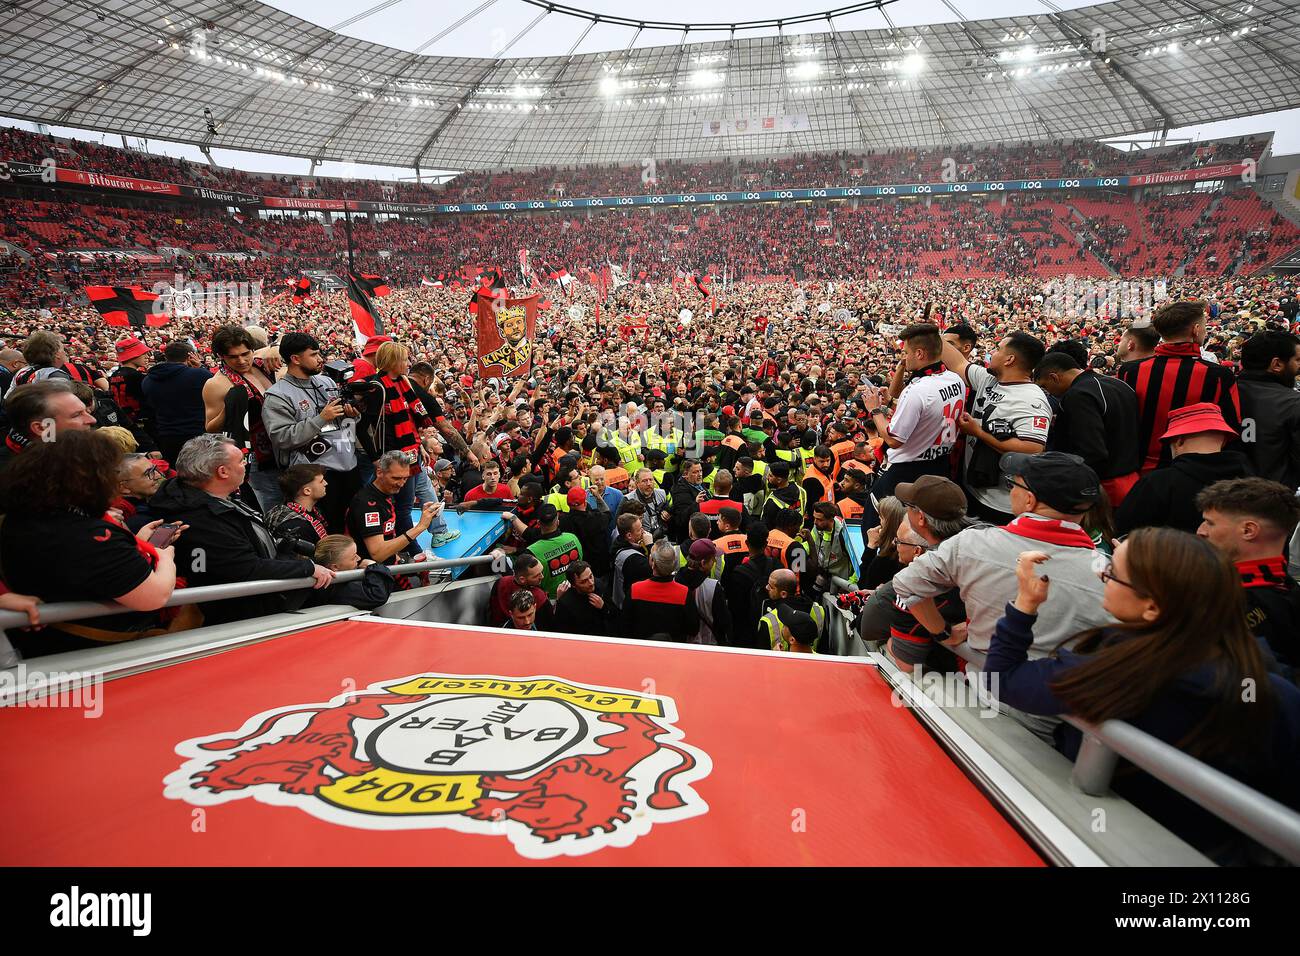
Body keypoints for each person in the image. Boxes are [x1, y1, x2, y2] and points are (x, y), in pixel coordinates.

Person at [987, 527, 1300, 863]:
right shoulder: (1274, 688)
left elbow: (1002, 680)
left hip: (1105, 844)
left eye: (1112, 574)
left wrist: (1025, 604)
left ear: (1152, 607)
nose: (1102, 577)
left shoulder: (1117, 670)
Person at [891, 452, 1114, 736]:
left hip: (979, 696)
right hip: (1058, 721)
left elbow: (907, 585)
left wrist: (942, 633)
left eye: (1013, 484)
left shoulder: (973, 544)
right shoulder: (1109, 574)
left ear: (1030, 500)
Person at [0, 430, 182, 657]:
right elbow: (154, 596)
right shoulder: (93, 534)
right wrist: (164, 557)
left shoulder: (19, 517)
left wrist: (138, 542)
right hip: (95, 653)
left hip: (44, 646)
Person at [147, 434, 338, 625]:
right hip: (238, 618)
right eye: (241, 461)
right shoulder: (200, 517)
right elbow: (245, 568)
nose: (245, 465)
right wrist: (307, 568)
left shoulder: (214, 499)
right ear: (222, 472)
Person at [1117, 300, 1241, 475]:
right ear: (1196, 330)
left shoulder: (1130, 371)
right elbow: (1233, 427)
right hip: (1196, 474)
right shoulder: (1219, 376)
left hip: (1138, 472)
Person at [942, 330, 1051, 525]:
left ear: (1009, 359)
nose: (992, 352)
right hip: (973, 486)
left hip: (1000, 502)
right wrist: (930, 330)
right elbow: (958, 363)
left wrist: (979, 432)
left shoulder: (1032, 400)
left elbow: (1032, 448)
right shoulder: (990, 379)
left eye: (998, 349)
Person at [1195, 477, 1300, 677]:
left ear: (1248, 530)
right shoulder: (1287, 588)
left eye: (1210, 523)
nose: (1200, 531)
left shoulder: (1227, 603)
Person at [262, 332, 361, 533]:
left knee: (353, 527)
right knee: (329, 533)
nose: (320, 359)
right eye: (314, 354)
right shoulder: (278, 395)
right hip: (314, 478)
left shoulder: (328, 383)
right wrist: (321, 418)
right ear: (295, 359)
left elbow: (345, 425)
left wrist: (353, 414)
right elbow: (282, 437)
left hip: (348, 467)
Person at [869, 323, 965, 514]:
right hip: (940, 464)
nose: (903, 357)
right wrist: (892, 403)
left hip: (908, 470)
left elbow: (893, 439)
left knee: (876, 523)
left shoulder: (917, 390)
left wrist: (875, 410)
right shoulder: (956, 380)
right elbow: (931, 414)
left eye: (906, 352)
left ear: (919, 354)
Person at [1115, 403, 1252, 536]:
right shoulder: (1251, 480)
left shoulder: (1158, 483)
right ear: (1223, 441)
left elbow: (1124, 532)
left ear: (1178, 441)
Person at [1032, 351, 1141, 506]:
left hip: (1104, 486)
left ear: (1054, 377)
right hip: (1132, 478)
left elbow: (1091, 451)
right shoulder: (1120, 384)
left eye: (1044, 386)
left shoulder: (1078, 395)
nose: (1048, 392)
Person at [203, 324, 280, 510]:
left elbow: (287, 341)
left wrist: (275, 348)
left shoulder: (261, 363)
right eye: (233, 357)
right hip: (258, 455)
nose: (242, 360)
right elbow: (210, 427)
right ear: (221, 356)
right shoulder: (217, 384)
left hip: (285, 443)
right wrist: (231, 407)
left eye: (246, 354)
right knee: (274, 502)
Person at [346, 450, 442, 571]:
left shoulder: (386, 492)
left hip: (389, 566)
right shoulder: (368, 505)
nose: (401, 484)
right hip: (372, 574)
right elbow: (378, 553)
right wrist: (420, 527)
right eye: (396, 478)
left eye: (405, 478)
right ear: (379, 472)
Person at [1235, 329, 1300, 490]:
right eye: (1298, 360)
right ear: (1276, 364)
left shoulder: (1220, 393)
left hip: (1221, 498)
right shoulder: (1293, 403)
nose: (1299, 366)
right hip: (1272, 500)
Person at [0, 380, 96, 472]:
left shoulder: (77, 453)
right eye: (77, 415)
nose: (92, 420)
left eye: (86, 411)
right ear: (42, 428)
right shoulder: (11, 478)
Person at [142, 339, 212, 464]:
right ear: (190, 356)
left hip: (166, 437)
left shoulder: (148, 380)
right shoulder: (200, 375)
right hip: (198, 435)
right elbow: (216, 387)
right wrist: (201, 367)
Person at [627, 541, 699, 642]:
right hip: (673, 650)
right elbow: (693, 629)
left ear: (652, 562)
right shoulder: (683, 593)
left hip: (642, 649)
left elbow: (625, 626)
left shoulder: (635, 589)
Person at [720, 522, 776, 648]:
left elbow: (734, 608)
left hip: (745, 632)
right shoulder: (777, 567)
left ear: (747, 543)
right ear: (766, 544)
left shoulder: (739, 573)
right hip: (771, 628)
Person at [676, 537, 732, 645]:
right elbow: (724, 622)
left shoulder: (675, 582)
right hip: (707, 645)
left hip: (681, 645)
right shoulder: (713, 587)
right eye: (712, 559)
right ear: (702, 563)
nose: (715, 561)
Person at [758, 568, 824, 652]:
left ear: (783, 594)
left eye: (771, 587)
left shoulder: (768, 620)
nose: (767, 588)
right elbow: (824, 648)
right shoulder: (819, 611)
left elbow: (761, 656)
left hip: (780, 663)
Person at [265, 463, 330, 549]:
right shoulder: (296, 526)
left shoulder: (286, 509)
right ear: (307, 491)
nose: (326, 483)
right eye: (321, 481)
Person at [526, 502, 583, 599]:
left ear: (539, 523)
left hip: (552, 600)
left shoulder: (532, 552)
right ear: (558, 521)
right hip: (577, 593)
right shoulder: (573, 538)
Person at [487, 552, 550, 629]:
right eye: (536, 576)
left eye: (541, 572)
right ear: (522, 579)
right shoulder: (540, 597)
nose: (542, 576)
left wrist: (498, 553)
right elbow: (548, 627)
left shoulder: (500, 583)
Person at [559, 484, 610, 578]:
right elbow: (607, 513)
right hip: (600, 568)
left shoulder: (563, 522)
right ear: (585, 503)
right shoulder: (596, 518)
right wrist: (598, 497)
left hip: (578, 571)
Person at [114, 451, 166, 531]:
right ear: (124, 487)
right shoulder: (124, 517)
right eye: (148, 473)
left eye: (154, 469)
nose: (158, 476)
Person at [552, 561, 607, 636]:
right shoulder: (565, 604)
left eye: (591, 576)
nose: (591, 583)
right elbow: (562, 632)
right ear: (574, 585)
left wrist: (603, 607)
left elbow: (614, 615)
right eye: (584, 581)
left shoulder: (599, 585)